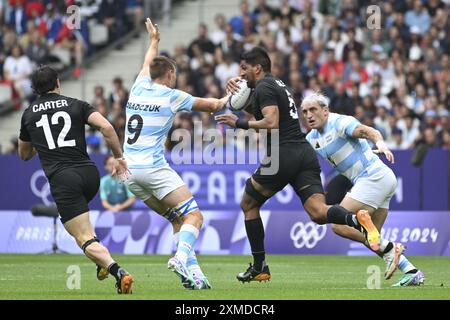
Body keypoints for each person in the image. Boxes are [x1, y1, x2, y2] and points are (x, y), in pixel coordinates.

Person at [215, 47, 376, 283]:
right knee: (319, 213)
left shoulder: (264, 87)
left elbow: (271, 121)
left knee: (248, 204)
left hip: (281, 155)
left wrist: (238, 123)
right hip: (303, 153)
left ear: (257, 67)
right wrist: (240, 97)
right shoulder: (275, 84)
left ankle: (260, 266)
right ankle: (358, 220)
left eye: (244, 68)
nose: (240, 72)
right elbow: (261, 110)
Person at [123, 19, 229, 290]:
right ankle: (181, 258)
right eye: (175, 74)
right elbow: (215, 106)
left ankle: (194, 275)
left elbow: (148, 61)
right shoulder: (171, 95)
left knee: (177, 220)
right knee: (194, 217)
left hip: (129, 173)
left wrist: (154, 41)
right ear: (169, 74)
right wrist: (232, 94)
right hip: (152, 167)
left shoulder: (138, 86)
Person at [18, 66, 134, 294]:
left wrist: (41, 144)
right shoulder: (76, 104)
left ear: (35, 89)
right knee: (87, 231)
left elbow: (24, 155)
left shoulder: (29, 114)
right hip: (90, 175)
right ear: (58, 83)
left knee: (83, 239)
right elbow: (107, 127)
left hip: (64, 180)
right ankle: (100, 259)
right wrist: (119, 157)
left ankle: (117, 272)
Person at [301, 92, 424, 287]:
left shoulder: (339, 123)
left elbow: (367, 131)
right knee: (373, 239)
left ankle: (391, 248)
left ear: (325, 111)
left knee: (338, 225)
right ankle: (412, 271)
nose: (308, 115)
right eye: (305, 111)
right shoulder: (311, 138)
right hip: (382, 178)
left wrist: (380, 143)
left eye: (313, 109)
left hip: (373, 177)